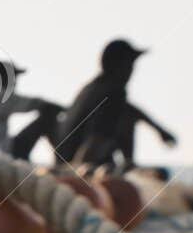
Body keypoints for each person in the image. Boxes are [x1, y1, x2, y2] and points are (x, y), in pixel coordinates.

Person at [54, 39, 177, 170]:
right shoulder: (114, 92)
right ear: (118, 66)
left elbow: (131, 109)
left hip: (64, 158)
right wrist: (84, 168)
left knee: (126, 114)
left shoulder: (93, 88)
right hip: (79, 163)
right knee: (126, 119)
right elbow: (97, 137)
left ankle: (123, 165)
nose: (131, 70)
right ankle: (127, 166)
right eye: (129, 64)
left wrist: (159, 130)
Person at [0, 60, 60, 159]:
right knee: (48, 115)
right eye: (13, 78)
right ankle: (62, 157)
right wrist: (71, 112)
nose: (15, 82)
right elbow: (41, 105)